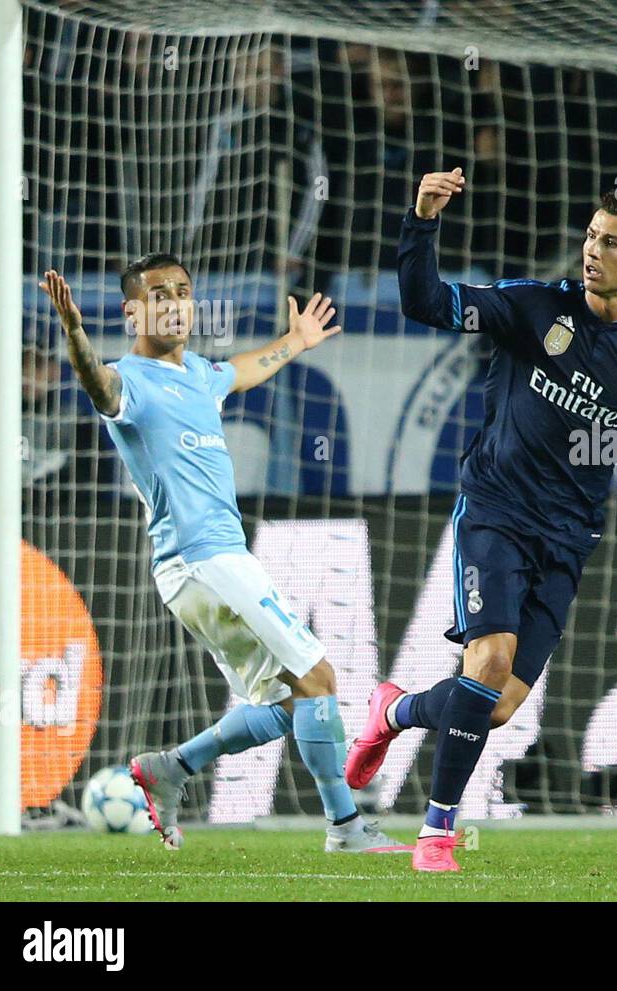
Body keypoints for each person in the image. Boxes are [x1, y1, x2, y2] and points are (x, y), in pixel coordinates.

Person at [346, 171, 617, 872]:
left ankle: (392, 712)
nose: (591, 250)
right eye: (588, 236)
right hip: (495, 509)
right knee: (487, 661)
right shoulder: (532, 305)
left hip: (570, 535)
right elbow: (424, 301)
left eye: (609, 242)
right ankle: (437, 833)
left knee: (500, 703)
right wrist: (423, 218)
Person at [39, 258, 402, 853]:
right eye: (159, 295)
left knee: (288, 701)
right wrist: (76, 334)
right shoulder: (129, 381)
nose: (176, 303)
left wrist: (295, 341)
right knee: (318, 675)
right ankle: (346, 828)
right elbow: (97, 385)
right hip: (205, 560)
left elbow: (241, 371)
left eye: (183, 292)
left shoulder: (198, 376)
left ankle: (173, 767)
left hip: (203, 569)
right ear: (132, 311)